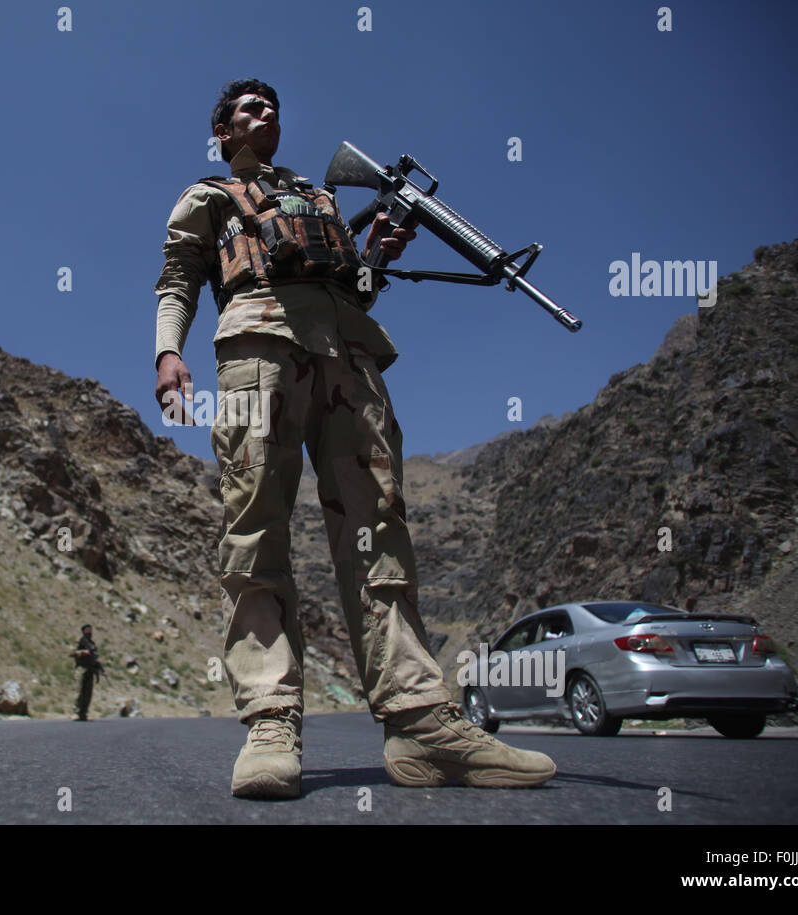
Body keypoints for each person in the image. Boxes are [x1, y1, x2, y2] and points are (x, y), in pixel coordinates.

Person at [153, 79, 556, 798]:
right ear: (221, 129)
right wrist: (168, 352)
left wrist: (379, 251)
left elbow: (359, 286)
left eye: (272, 105)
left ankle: (421, 722)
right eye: (249, 108)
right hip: (255, 347)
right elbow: (179, 277)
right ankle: (270, 720)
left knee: (380, 526)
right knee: (256, 528)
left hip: (348, 353)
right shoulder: (209, 195)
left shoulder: (324, 199)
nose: (265, 114)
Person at [71, 623, 101, 721]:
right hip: (81, 669)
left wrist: (97, 670)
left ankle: (84, 713)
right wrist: (82, 652)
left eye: (90, 630)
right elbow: (72, 652)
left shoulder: (92, 644)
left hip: (90, 669)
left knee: (88, 693)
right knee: (79, 692)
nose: (89, 632)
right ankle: (76, 712)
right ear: (83, 631)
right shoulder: (80, 641)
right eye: (87, 630)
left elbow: (95, 657)